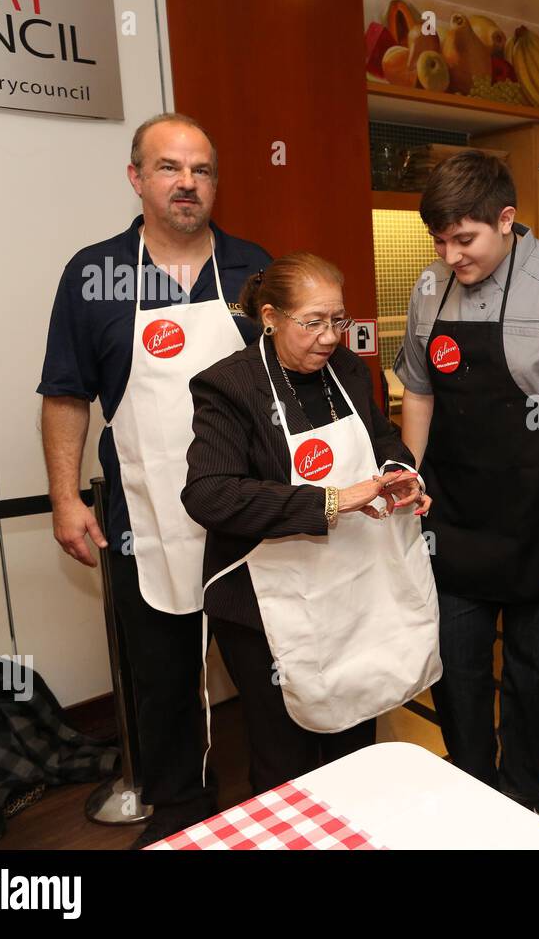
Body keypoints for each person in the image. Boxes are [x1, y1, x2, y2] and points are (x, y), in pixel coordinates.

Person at [38, 113, 270, 846]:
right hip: (147, 517)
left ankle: (279, 803)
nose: (187, 183)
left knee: (269, 673)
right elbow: (66, 393)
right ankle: (178, 818)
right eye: (169, 168)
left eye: (201, 170)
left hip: (248, 515)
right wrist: (65, 495)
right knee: (162, 683)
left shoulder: (253, 267)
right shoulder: (96, 274)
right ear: (136, 178)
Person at [393, 151, 539, 812]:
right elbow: (420, 393)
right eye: (440, 241)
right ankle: (470, 793)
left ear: (507, 219)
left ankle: (521, 799)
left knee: (531, 672)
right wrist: (407, 479)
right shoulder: (431, 287)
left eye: (464, 239)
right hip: (455, 519)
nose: (451, 256)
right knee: (458, 673)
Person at [182, 253, 440, 798]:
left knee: (355, 734)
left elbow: (383, 439)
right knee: (286, 760)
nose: (330, 337)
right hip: (265, 607)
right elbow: (209, 494)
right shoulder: (230, 387)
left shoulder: (345, 370)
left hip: (350, 587)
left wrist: (399, 474)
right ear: (271, 316)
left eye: (338, 321)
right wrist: (331, 500)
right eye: (314, 322)